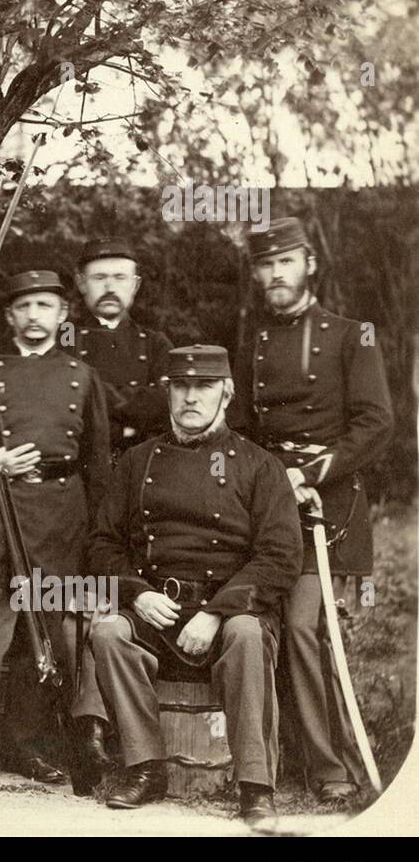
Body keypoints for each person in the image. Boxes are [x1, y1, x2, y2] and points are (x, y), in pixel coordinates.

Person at [88, 345, 303, 823]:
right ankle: (146, 767)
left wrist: (217, 612)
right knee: (107, 632)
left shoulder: (257, 465)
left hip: (228, 614)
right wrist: (136, 594)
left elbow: (281, 557)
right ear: (167, 394)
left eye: (203, 387)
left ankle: (255, 785)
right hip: (157, 610)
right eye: (180, 387)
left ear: (226, 393)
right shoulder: (137, 462)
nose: (190, 397)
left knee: (248, 635)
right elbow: (103, 543)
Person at [233, 217, 393, 804]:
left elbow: (376, 426)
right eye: (265, 265)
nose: (275, 275)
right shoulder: (251, 343)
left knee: (304, 629)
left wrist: (309, 473)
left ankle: (330, 767)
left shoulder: (356, 335)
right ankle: (259, 760)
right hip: (266, 507)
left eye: (286, 262)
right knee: (250, 620)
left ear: (309, 265)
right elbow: (246, 430)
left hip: (328, 510)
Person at [0, 270, 111, 786]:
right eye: (25, 306)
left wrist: (98, 542)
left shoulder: (84, 376)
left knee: (49, 641)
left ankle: (28, 748)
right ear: (9, 317)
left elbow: (99, 467)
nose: (35, 316)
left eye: (46, 306)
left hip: (60, 521)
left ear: (63, 315)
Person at [68, 237, 172, 455]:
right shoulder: (66, 336)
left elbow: (166, 403)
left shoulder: (155, 343)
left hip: (141, 463)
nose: (110, 287)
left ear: (135, 284)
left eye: (120, 278)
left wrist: (93, 391)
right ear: (81, 283)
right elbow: (63, 399)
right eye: (99, 278)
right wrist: (125, 427)